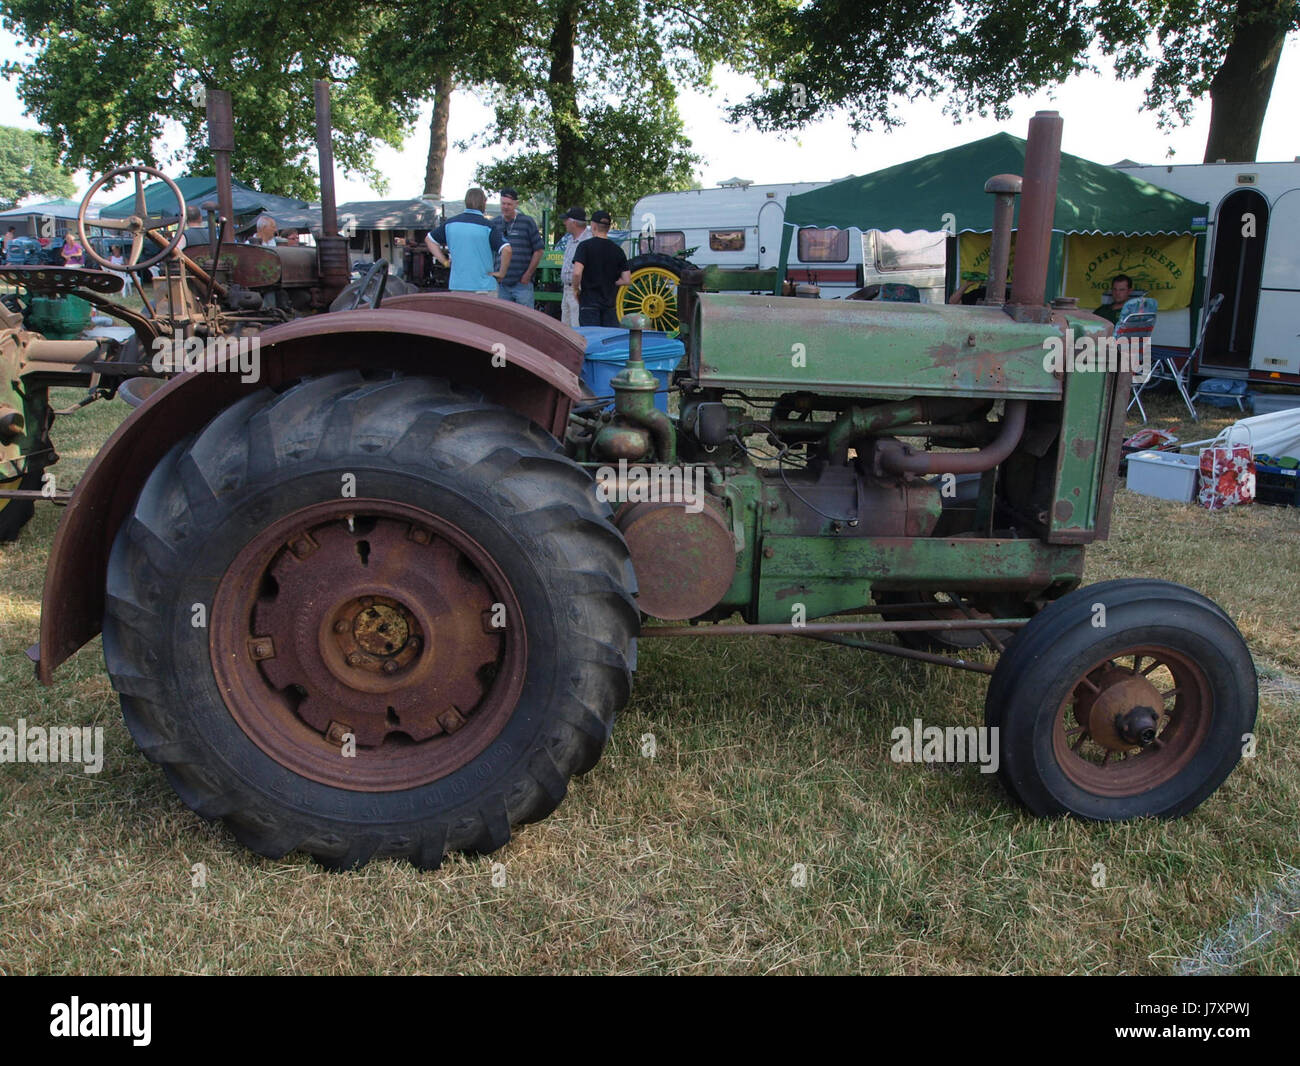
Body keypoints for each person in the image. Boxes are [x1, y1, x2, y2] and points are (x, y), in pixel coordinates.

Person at [425, 187, 509, 293]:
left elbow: (429, 240)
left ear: (466, 202)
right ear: (484, 202)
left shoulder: (450, 224)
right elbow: (507, 250)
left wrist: (445, 262)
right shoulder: (488, 226)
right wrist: (502, 273)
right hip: (483, 287)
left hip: (458, 286)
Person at [571, 210, 630, 327]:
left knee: (590, 339)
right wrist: (611, 281)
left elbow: (577, 273)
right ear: (608, 228)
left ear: (593, 226)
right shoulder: (618, 250)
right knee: (607, 340)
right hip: (610, 306)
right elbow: (627, 279)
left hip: (589, 303)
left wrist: (576, 289)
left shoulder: (584, 246)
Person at [494, 187, 543, 306]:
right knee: (501, 320)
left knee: (525, 319)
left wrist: (528, 275)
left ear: (516, 204)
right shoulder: (494, 223)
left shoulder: (527, 222)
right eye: (503, 203)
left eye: (509, 204)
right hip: (501, 284)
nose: (505, 207)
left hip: (522, 283)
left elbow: (539, 250)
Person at [559, 207, 592, 327]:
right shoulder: (570, 239)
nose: (564, 223)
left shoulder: (588, 241)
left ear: (573, 222)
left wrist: (576, 289)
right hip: (567, 289)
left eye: (566, 220)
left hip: (578, 290)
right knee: (565, 329)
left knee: (576, 327)